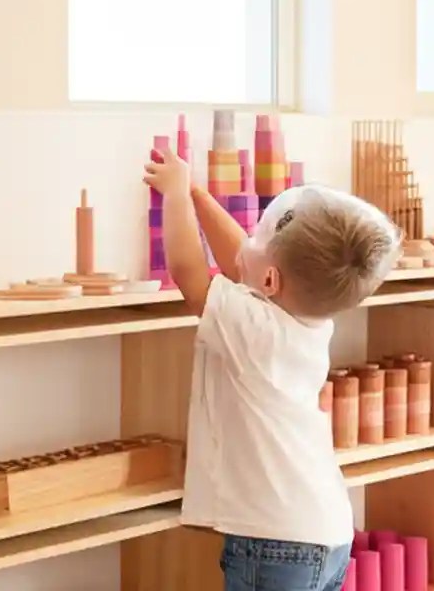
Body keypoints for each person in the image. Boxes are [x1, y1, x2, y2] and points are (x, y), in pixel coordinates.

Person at [143, 145, 402, 591]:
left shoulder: (260, 334)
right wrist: (197, 196)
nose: (246, 243)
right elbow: (241, 259)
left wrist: (175, 196)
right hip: (327, 533)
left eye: (257, 238)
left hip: (276, 544)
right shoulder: (305, 318)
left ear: (270, 281)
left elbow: (190, 275)